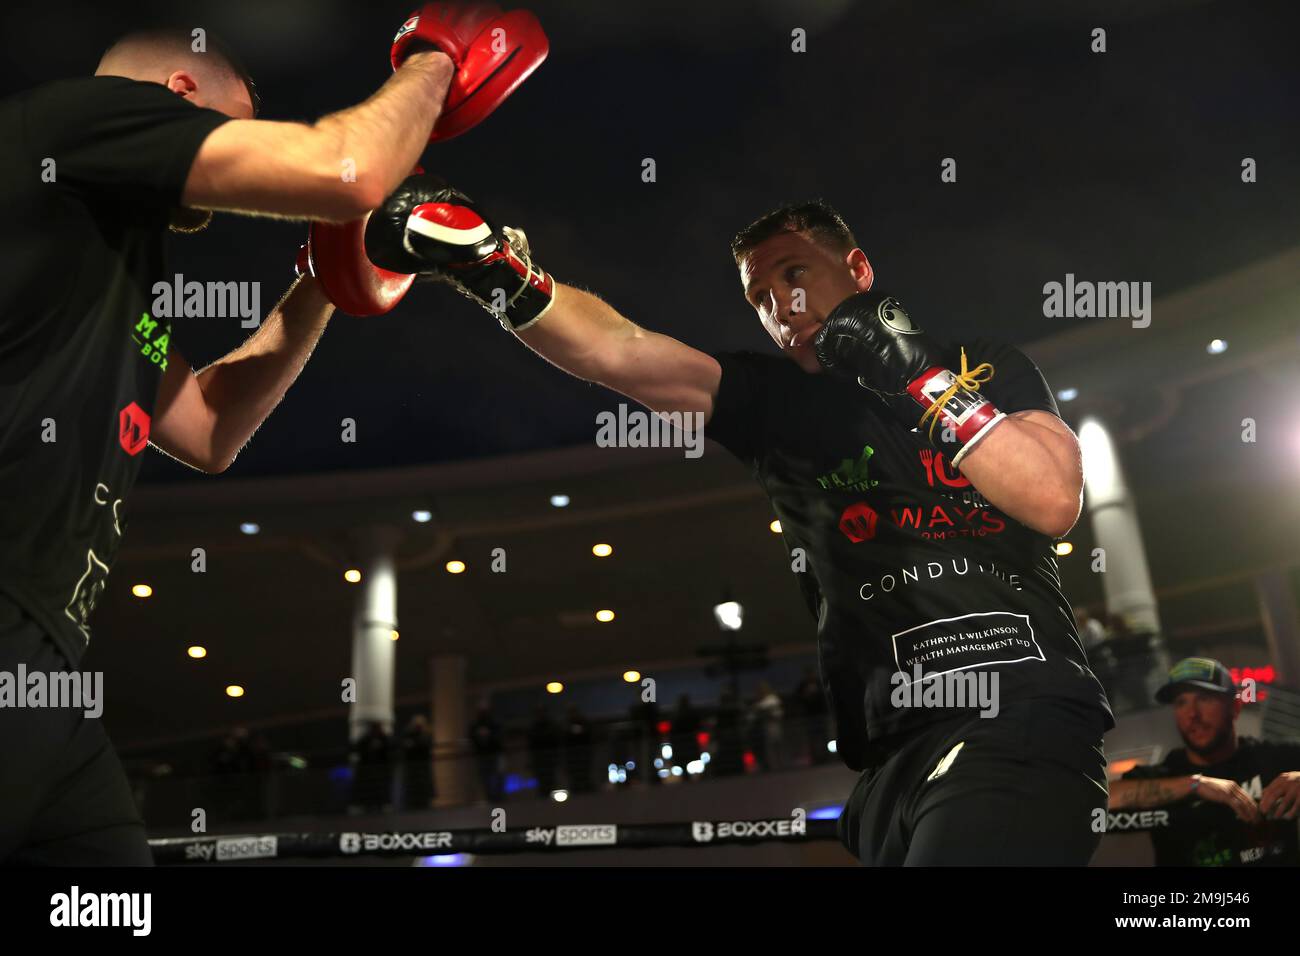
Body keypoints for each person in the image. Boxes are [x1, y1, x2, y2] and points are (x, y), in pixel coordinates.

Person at [363, 186, 1114, 865]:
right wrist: (490, 268)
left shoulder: (978, 361)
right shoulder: (770, 401)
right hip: (890, 758)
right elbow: (616, 351)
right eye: (758, 295)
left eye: (794, 274)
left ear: (857, 268)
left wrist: (918, 376)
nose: (781, 306)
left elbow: (1051, 498)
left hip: (1014, 711)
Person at [0, 5, 545, 865]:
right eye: (240, 128)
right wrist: (439, 59)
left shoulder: (100, 266)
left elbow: (210, 429)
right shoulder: (74, 118)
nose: (248, 157)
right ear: (178, 93)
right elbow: (347, 166)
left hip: (48, 665)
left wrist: (327, 276)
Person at [1110, 657, 1300, 866]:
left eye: (1205, 698)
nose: (1192, 714)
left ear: (1235, 708)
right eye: (1181, 702)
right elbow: (1097, 806)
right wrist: (1194, 784)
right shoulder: (1165, 774)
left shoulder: (1271, 758)